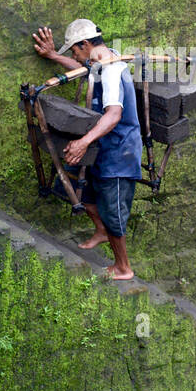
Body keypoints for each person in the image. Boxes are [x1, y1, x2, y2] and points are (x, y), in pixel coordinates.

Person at [32, 19, 141, 281]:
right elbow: (83, 70)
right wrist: (53, 56)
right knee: (76, 183)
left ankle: (123, 267)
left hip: (120, 150)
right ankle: (101, 230)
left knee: (114, 210)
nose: (74, 55)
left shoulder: (113, 69)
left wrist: (82, 142)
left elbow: (114, 114)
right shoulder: (101, 62)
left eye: (74, 49)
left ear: (86, 44)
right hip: (102, 143)